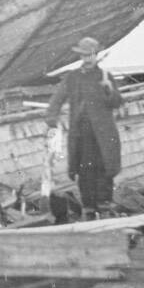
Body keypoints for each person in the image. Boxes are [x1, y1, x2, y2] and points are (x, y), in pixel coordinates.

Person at [44, 36, 123, 220]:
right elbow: (57, 99)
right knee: (84, 170)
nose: (87, 59)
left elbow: (116, 102)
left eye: (91, 55)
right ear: (80, 56)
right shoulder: (72, 77)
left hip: (103, 134)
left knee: (104, 169)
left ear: (96, 55)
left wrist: (109, 89)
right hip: (81, 133)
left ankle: (105, 208)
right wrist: (51, 118)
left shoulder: (105, 77)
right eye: (84, 55)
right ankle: (88, 209)